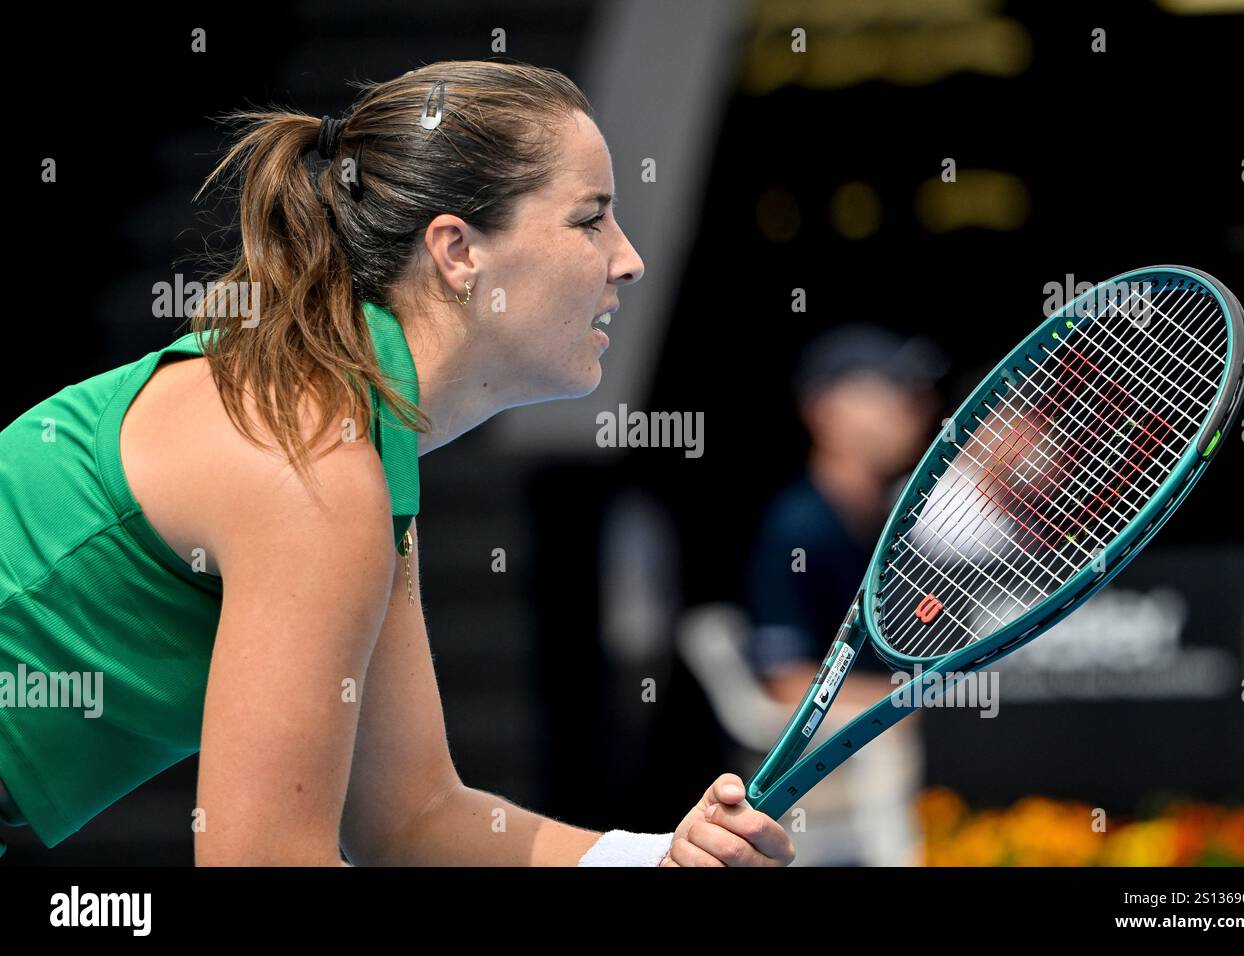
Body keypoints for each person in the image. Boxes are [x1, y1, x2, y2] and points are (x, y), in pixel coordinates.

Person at [0, 61, 794, 867]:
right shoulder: (314, 467)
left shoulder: (348, 432)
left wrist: (651, 860)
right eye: (589, 220)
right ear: (457, 252)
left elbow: (411, 817)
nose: (629, 260)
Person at [746, 325, 947, 710]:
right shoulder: (796, 528)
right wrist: (929, 707)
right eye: (887, 388)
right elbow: (786, 683)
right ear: (825, 409)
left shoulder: (911, 522)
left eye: (915, 391)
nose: (912, 406)